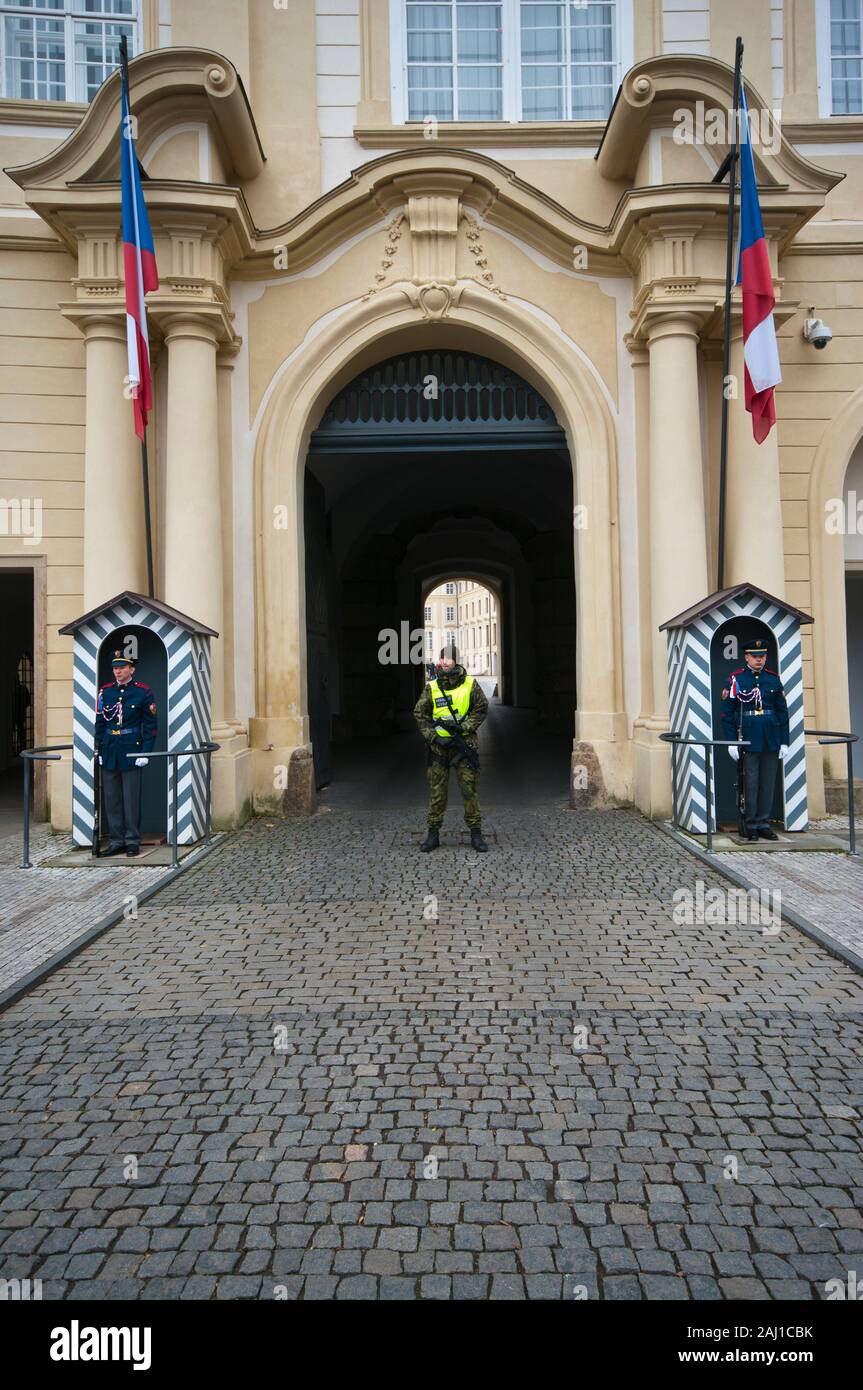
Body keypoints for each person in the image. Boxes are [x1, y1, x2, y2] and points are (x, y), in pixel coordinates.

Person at [414, 644, 489, 852]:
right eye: (443, 658)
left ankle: (476, 834)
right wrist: (433, 737)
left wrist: (464, 727)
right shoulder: (433, 686)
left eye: (449, 658)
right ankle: (433, 834)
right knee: (437, 793)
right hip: (439, 748)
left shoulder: (470, 684)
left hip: (463, 745)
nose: (446, 662)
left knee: (469, 790)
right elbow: (420, 714)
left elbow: (481, 708)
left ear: (456, 660)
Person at [721, 636, 789, 842]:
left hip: (771, 737)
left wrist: (784, 740)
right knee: (750, 782)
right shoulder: (736, 679)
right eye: (755, 656)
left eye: (762, 656)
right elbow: (727, 713)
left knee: (767, 783)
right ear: (746, 657)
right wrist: (732, 741)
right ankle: (750, 823)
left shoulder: (773, 679)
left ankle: (763, 823)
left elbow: (782, 712)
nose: (759, 660)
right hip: (749, 737)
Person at [93, 650, 157, 856]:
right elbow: (101, 722)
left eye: (121, 668)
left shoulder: (143, 692)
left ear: (132, 669)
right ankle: (116, 840)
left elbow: (150, 725)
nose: (117, 671)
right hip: (111, 748)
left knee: (131, 799)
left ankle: (132, 841)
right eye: (115, 668)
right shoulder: (105, 692)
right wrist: (100, 748)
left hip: (132, 748)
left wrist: (145, 752)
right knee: (111, 799)